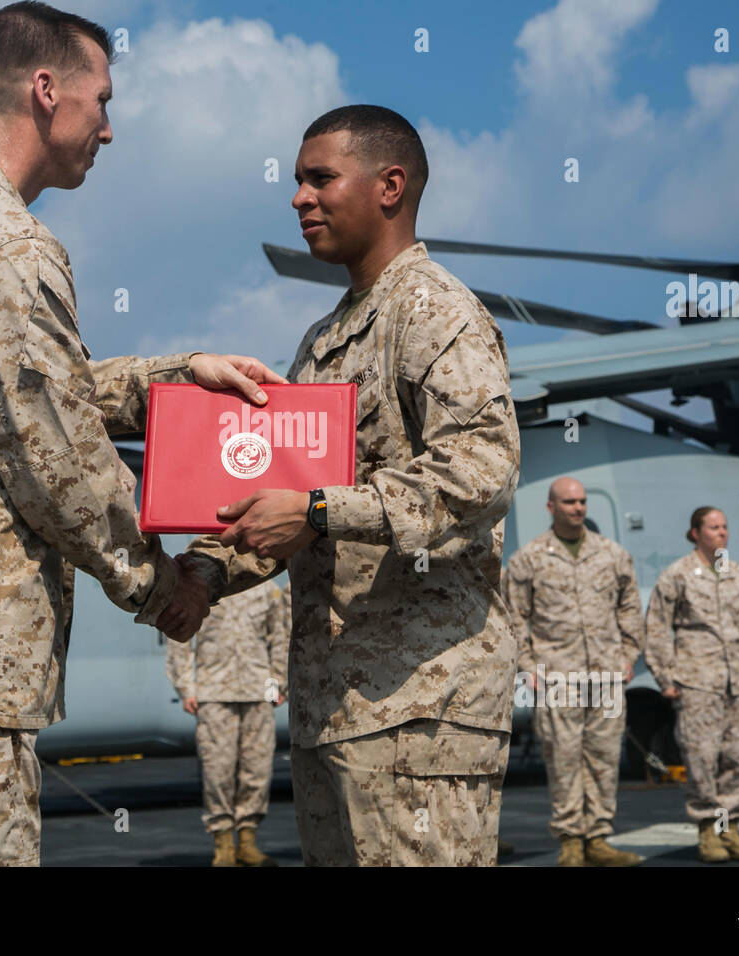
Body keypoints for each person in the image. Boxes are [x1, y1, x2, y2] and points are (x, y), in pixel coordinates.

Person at [0, 3, 282, 866]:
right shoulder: (9, 244)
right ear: (46, 91)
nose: (108, 130)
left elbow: (0, 395)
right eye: (103, 101)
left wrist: (174, 376)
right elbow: (60, 460)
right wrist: (166, 588)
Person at [185, 104, 520, 866]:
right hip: (334, 709)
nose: (299, 197)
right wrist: (203, 572)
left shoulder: (436, 311)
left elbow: (480, 472)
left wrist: (316, 508)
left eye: (320, 179)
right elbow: (284, 509)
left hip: (421, 709)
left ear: (390, 185)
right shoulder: (325, 338)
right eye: (298, 182)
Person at [504, 476, 643, 867]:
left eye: (581, 501)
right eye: (569, 502)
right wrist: (529, 667)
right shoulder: (529, 559)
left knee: (602, 758)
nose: (578, 508)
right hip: (557, 678)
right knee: (563, 759)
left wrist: (628, 654)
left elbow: (630, 608)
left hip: (607, 677)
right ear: (551, 507)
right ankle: (570, 840)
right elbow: (515, 618)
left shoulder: (613, 555)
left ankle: (598, 837)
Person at [644, 507, 739, 863]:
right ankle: (708, 830)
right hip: (697, 682)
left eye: (725, 527)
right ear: (695, 532)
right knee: (702, 757)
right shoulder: (677, 575)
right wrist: (665, 676)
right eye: (713, 527)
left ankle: (732, 828)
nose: (721, 533)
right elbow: (657, 627)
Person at [166, 579, 290, 866]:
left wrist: (277, 684)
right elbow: (179, 637)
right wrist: (187, 688)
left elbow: (280, 636)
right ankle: (223, 845)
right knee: (217, 769)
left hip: (257, 691)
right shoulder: (200, 585)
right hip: (213, 692)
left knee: (257, 769)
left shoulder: (265, 587)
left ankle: (248, 842)